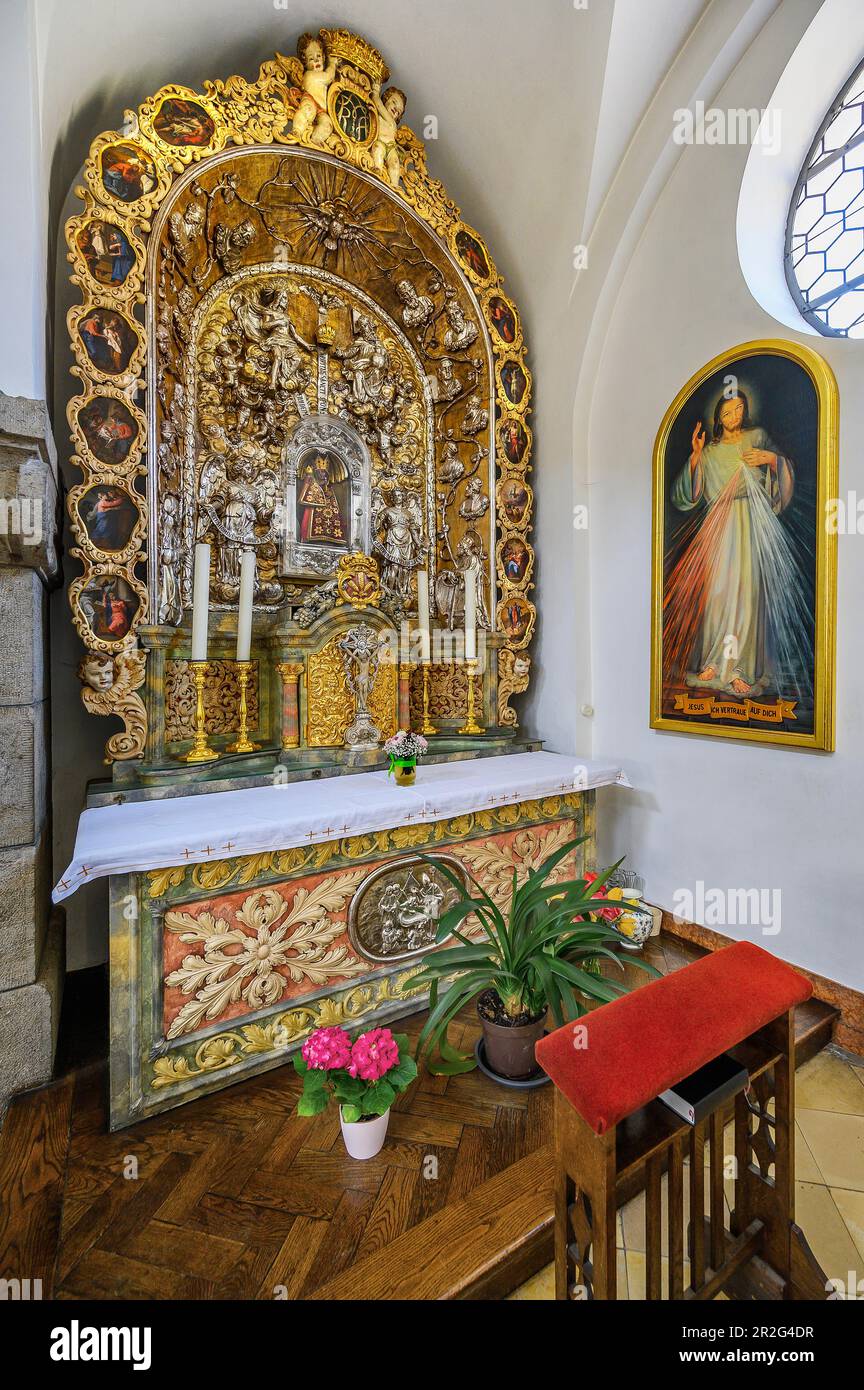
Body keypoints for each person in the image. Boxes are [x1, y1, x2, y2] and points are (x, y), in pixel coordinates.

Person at [667, 389, 798, 698]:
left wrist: (771, 459)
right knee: (718, 592)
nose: (734, 416)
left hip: (749, 521)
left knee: (746, 592)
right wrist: (696, 455)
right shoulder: (710, 451)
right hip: (718, 524)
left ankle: (740, 669)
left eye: (739, 409)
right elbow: (687, 496)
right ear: (718, 419)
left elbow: (783, 471)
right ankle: (714, 661)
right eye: (727, 413)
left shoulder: (757, 436)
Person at [297, 456, 345, 544]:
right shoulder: (311, 480)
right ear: (316, 472)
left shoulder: (329, 487)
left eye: (324, 472)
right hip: (313, 510)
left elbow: (332, 501)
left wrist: (328, 493)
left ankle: (330, 538)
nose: (323, 475)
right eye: (321, 472)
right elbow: (308, 494)